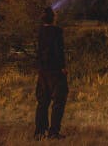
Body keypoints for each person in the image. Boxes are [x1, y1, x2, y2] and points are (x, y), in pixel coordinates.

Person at [34, 7, 68, 140]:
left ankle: (40, 132)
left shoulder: (41, 31)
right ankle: (53, 132)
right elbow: (58, 50)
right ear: (53, 17)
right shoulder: (57, 32)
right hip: (55, 71)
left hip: (43, 71)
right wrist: (62, 67)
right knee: (59, 101)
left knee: (43, 102)